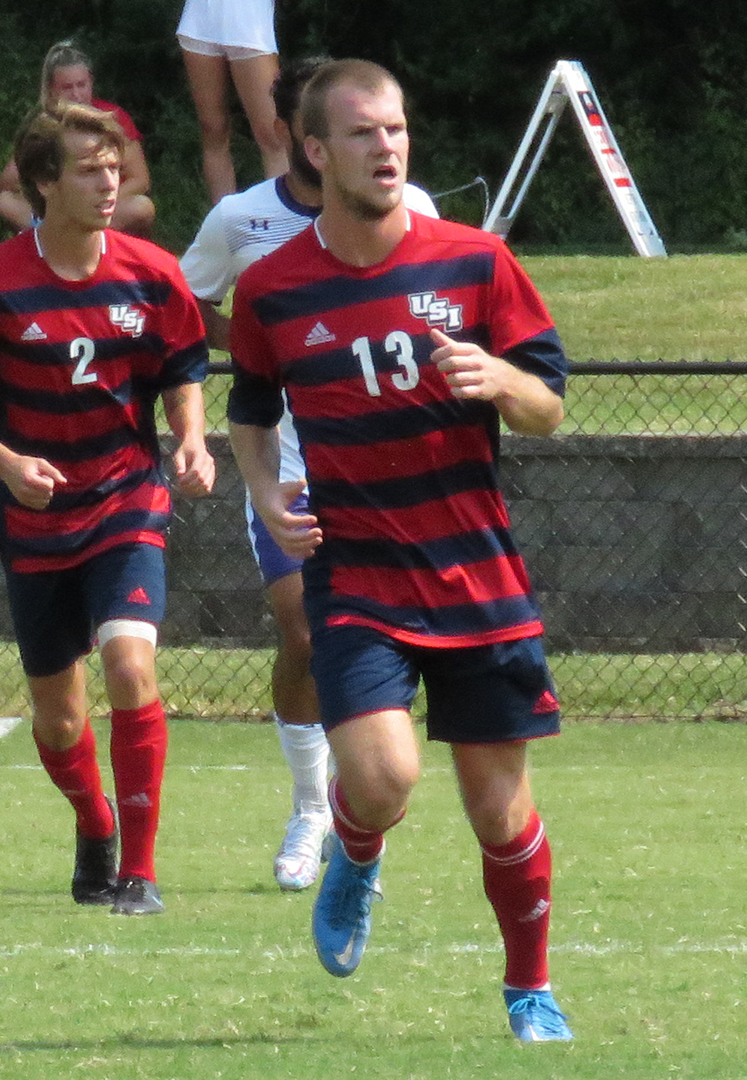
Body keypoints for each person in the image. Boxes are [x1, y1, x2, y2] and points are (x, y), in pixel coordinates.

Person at [226, 59, 574, 1042]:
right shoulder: (272, 291)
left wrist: (501, 379)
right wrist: (264, 494)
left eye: (398, 130)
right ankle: (356, 851)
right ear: (316, 152)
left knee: (501, 811)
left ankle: (529, 990)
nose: (388, 147)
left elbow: (550, 408)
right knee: (383, 776)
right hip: (358, 574)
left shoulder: (474, 261)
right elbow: (249, 412)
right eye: (365, 133)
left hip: (476, 576)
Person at [0, 101, 215, 915]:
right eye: (89, 168)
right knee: (57, 719)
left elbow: (184, 367)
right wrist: (8, 463)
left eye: (115, 166)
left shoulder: (153, 273)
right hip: (32, 517)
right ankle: (95, 824)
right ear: (43, 183)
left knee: (129, 665)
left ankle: (142, 874)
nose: (109, 180)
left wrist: (191, 438)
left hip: (126, 497)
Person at [179, 54, 439, 892]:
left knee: (387, 645)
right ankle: (310, 806)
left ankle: (363, 789)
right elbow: (185, 303)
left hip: (394, 472)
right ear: (302, 138)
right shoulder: (240, 219)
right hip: (290, 462)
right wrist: (261, 347)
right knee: (300, 628)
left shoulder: (415, 211)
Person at [0, 41, 155, 237]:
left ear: (91, 83)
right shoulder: (43, 124)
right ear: (52, 90)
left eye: (81, 85)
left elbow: (140, 179)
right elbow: (7, 183)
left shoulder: (113, 117)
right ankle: (51, 233)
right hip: (55, 208)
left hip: (102, 205)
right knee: (4, 201)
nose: (76, 95)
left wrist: (100, 199)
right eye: (67, 87)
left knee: (142, 206)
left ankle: (60, 234)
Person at [177, 0, 289, 201]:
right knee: (211, 128)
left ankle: (280, 219)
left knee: (272, 133)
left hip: (249, 21)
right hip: (201, 18)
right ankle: (224, 221)